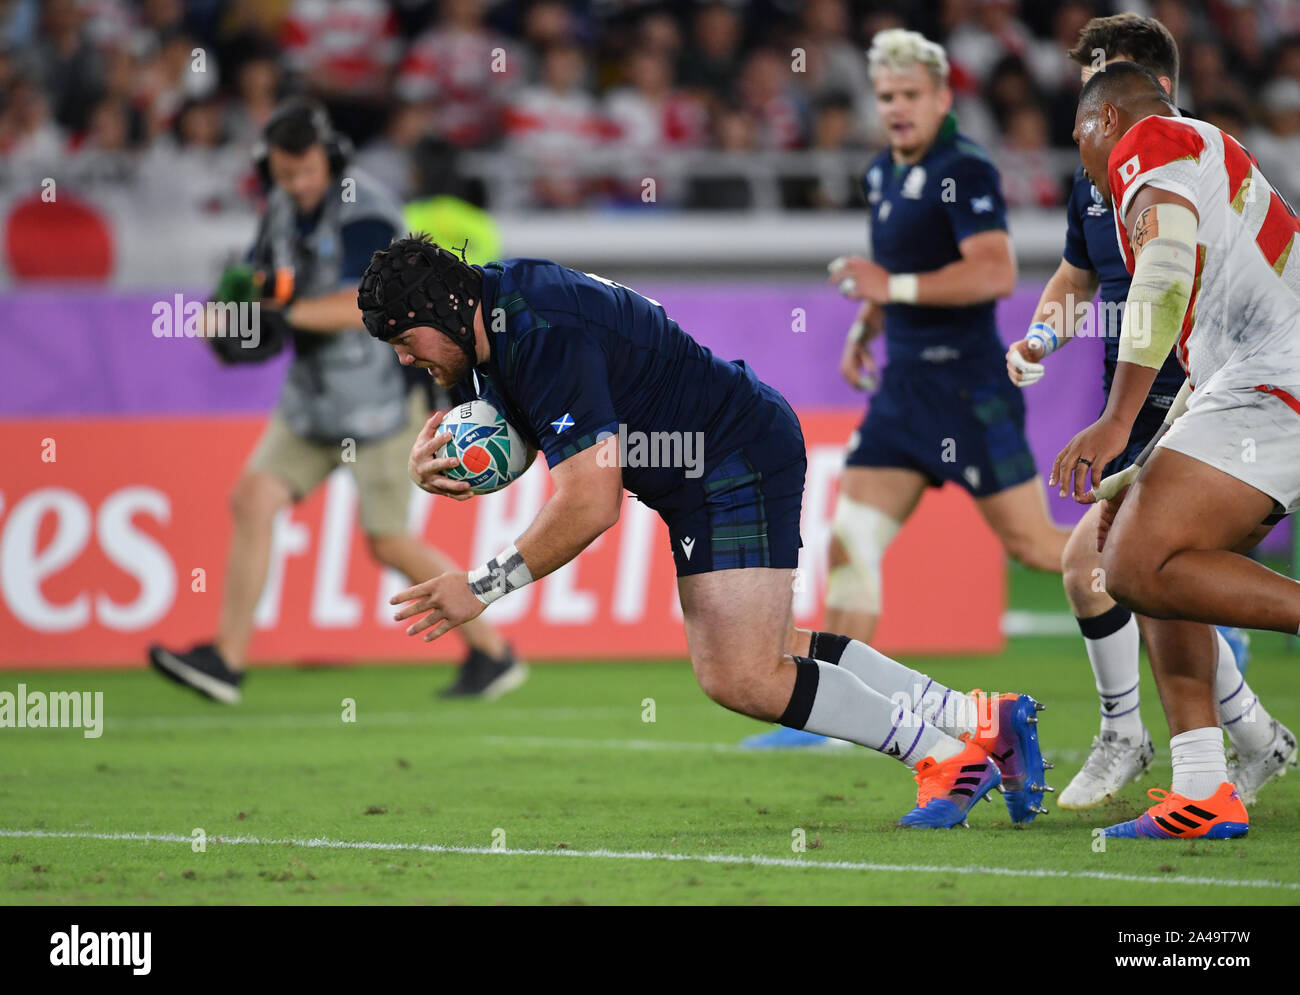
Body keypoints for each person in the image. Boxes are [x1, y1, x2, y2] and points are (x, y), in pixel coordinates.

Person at [358, 234, 1054, 828]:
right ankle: (981, 721)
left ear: (443, 309)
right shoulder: (500, 310)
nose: (401, 358)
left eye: (402, 339)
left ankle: (944, 758)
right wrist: (444, 467)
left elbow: (591, 502)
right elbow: (541, 432)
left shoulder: (541, 329)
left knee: (742, 674)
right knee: (768, 650)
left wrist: (481, 587)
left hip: (730, 456)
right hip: (707, 460)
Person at [745, 28, 1070, 750]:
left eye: (910, 95)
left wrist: (887, 285)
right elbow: (901, 271)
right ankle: (829, 715)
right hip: (903, 392)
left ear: (943, 96)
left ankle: (1164, 591)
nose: (896, 108)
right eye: (886, 96)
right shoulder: (881, 173)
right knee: (851, 541)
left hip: (968, 386)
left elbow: (993, 273)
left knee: (1038, 546)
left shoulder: (967, 168)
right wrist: (871, 320)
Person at [1004, 14, 1294, 810]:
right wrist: (1138, 452)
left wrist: (1112, 421)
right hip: (1244, 383)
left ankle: (1155, 743)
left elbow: (1162, 277)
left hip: (1273, 383)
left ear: (1114, 112)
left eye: (1082, 130)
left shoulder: (1149, 142)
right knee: (1152, 564)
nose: (1085, 163)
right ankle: (1204, 784)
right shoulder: (1187, 153)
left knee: (1128, 564)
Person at [148, 100, 523, 703]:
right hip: (314, 400)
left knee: (387, 540)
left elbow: (362, 304)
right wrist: (222, 315)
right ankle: (226, 660)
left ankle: (494, 652)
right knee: (252, 499)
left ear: (330, 160)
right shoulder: (279, 206)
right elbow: (252, 278)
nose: (295, 183)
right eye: (284, 171)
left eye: (305, 170)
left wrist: (281, 315)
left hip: (380, 401)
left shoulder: (365, 210)